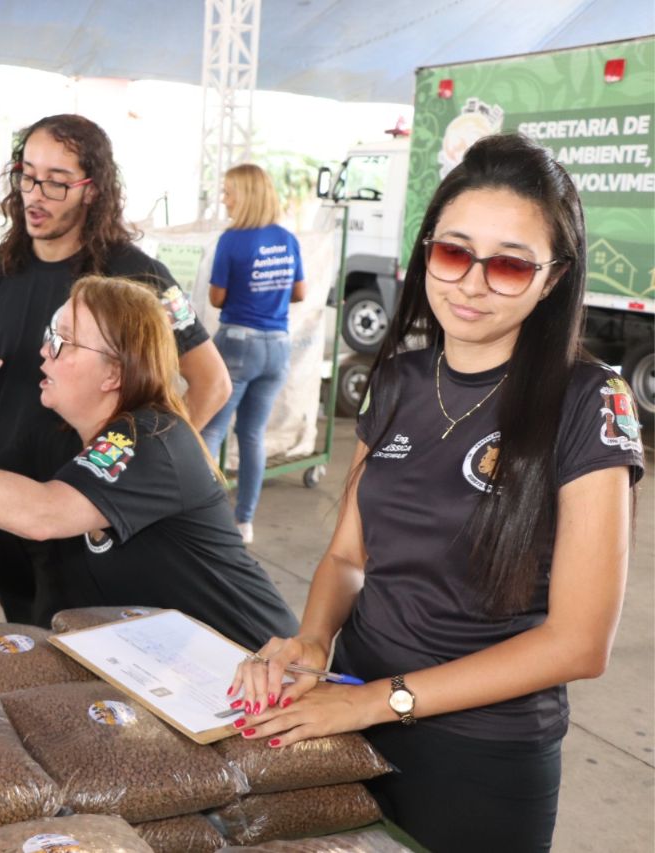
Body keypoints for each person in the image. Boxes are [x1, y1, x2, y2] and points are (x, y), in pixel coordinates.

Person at [228, 134, 643, 852]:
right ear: (426, 255)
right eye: (453, 252)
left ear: (553, 278)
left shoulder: (588, 401)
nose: (472, 282)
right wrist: (312, 641)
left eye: (510, 264)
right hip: (349, 716)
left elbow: (579, 643)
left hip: (479, 756)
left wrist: (375, 700)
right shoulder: (397, 379)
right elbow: (348, 557)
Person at [0, 276, 296, 648]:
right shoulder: (82, 440)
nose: (44, 351)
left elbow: (41, 515)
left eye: (64, 341)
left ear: (114, 372)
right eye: (52, 334)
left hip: (250, 662)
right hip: (176, 663)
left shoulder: (150, 439)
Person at [0, 114, 231, 626]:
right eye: (27, 175)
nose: (36, 194)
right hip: (6, 496)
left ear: (92, 189)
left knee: (88, 659)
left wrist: (148, 470)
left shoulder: (135, 275)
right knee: (24, 638)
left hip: (90, 511)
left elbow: (212, 381)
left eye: (57, 182)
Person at [199, 164, 307, 544]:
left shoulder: (233, 240)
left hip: (237, 343)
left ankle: (205, 517)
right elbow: (300, 293)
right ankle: (244, 522)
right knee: (253, 435)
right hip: (277, 347)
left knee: (211, 429)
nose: (224, 199)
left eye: (229, 192)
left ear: (245, 195)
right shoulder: (287, 238)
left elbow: (216, 298)